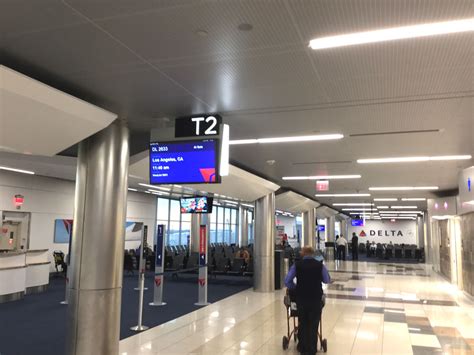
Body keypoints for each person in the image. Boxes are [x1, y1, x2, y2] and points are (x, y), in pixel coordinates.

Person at [285, 246, 330, 355]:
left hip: (302, 299)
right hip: (315, 299)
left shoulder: (297, 265)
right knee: (314, 323)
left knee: (303, 322)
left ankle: (303, 348)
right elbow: (327, 280)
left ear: (304, 253)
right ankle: (312, 349)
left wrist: (295, 287)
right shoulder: (320, 265)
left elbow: (287, 281)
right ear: (312, 254)